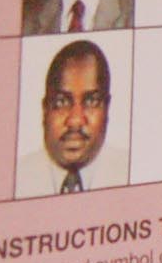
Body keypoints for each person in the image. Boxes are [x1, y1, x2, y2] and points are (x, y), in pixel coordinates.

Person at [20, 39, 125, 196]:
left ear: (107, 109)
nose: (75, 120)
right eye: (61, 102)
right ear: (44, 110)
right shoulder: (15, 177)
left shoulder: (132, 169)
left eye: (91, 101)